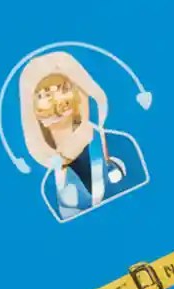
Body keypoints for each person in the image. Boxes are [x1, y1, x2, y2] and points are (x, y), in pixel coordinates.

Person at [19, 51, 124, 219]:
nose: (57, 100)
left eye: (64, 90)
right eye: (45, 94)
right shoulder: (50, 179)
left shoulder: (106, 143)